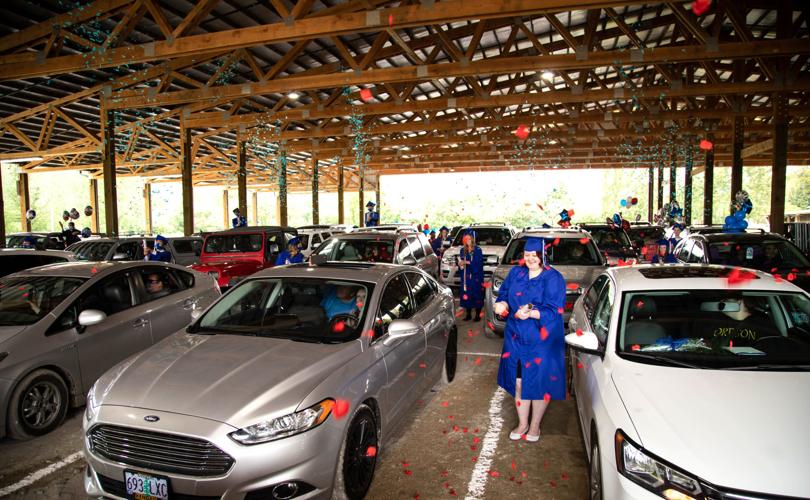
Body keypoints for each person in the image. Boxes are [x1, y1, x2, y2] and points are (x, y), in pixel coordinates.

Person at [493, 237, 566, 442]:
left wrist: (532, 311)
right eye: (527, 255)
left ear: (543, 256)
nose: (531, 259)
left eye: (535, 255)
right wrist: (502, 305)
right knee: (519, 383)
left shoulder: (553, 278)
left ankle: (535, 426)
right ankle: (523, 423)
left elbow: (555, 310)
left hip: (541, 339)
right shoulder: (516, 272)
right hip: (516, 337)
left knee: (539, 383)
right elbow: (504, 294)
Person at [457, 229, 485, 321]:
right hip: (466, 278)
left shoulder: (477, 250)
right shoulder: (462, 250)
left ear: (473, 239)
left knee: (477, 295)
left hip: (476, 277)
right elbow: (461, 264)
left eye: (469, 239)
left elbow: (479, 264)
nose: (467, 241)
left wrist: (468, 262)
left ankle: (477, 315)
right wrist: (460, 265)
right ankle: (468, 315)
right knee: (466, 295)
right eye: (466, 239)